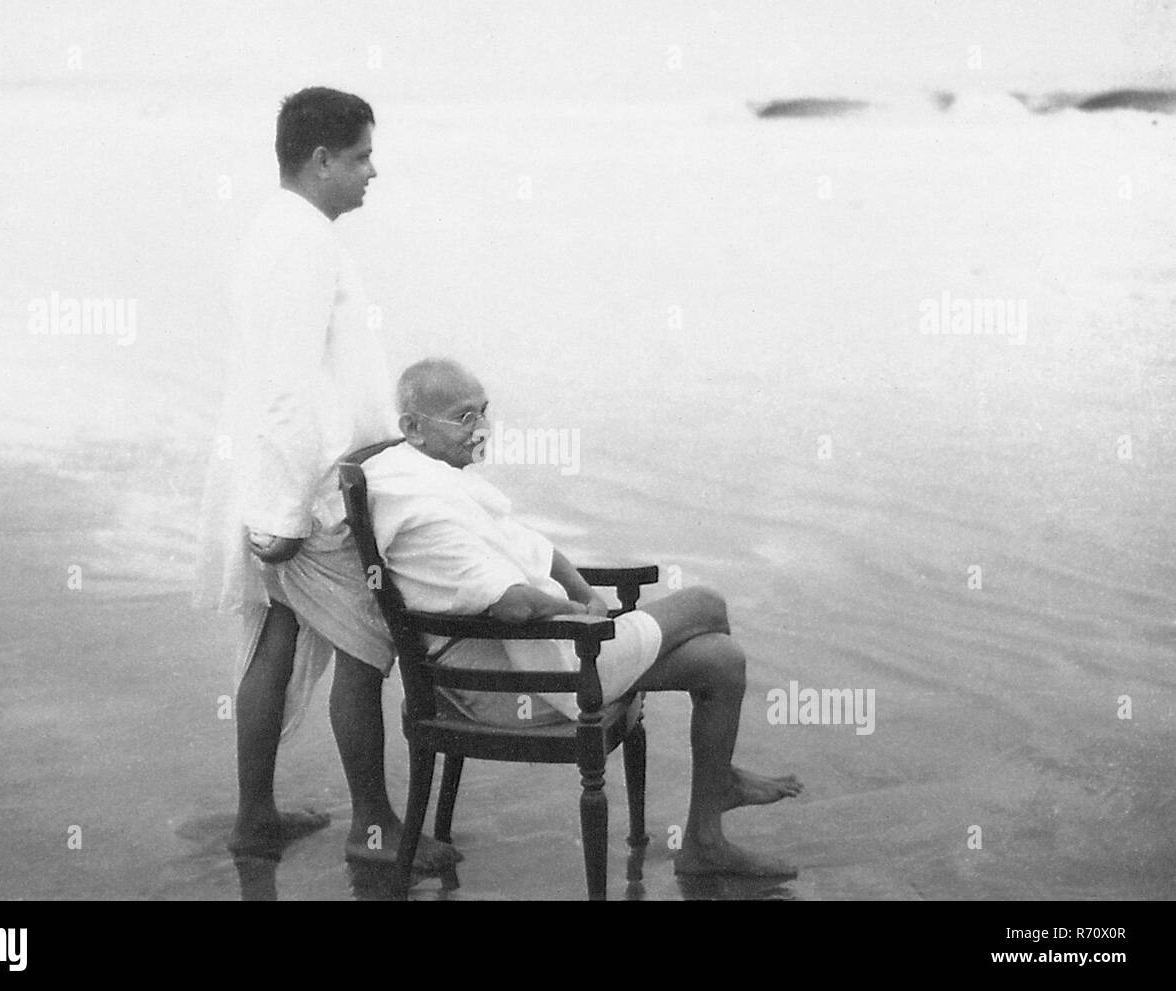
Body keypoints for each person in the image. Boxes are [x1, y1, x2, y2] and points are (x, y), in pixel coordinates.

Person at [362, 358, 803, 876]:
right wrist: (578, 615)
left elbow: (535, 549)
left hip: (536, 657)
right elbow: (513, 604)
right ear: (412, 428)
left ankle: (705, 838)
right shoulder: (423, 507)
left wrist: (587, 595)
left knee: (721, 660)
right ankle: (717, 794)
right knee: (707, 604)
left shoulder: (433, 476)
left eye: (484, 413)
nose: (481, 430)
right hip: (514, 688)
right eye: (464, 418)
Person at [193, 88, 456, 871]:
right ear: (321, 159)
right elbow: (286, 383)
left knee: (278, 636)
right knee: (364, 647)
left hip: (294, 477)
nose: (373, 171)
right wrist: (283, 513)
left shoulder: (284, 230)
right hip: (306, 488)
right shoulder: (301, 242)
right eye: (363, 155)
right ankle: (371, 827)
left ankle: (255, 816)